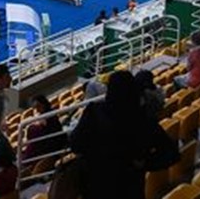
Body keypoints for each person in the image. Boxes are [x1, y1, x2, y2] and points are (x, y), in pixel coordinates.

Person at [70, 71, 179, 199]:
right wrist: (146, 163)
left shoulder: (94, 112)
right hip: (130, 190)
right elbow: (172, 153)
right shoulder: (143, 120)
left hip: (95, 187)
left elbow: (75, 144)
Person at [20, 95, 66, 164]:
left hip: (49, 147)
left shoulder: (49, 117)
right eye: (35, 108)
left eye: (38, 106)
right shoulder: (46, 116)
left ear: (44, 104)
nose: (37, 110)